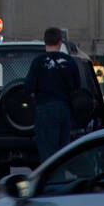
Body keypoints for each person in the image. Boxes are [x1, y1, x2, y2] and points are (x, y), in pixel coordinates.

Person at [23, 27, 80, 163]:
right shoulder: (70, 61)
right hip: (64, 108)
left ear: (45, 41)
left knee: (48, 153)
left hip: (45, 109)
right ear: (60, 42)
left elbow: (28, 87)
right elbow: (77, 86)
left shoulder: (38, 62)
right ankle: (61, 178)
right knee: (63, 152)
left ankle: (52, 181)